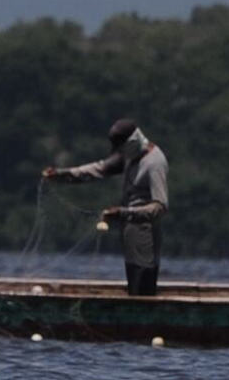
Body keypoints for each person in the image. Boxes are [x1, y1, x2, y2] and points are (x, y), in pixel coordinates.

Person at [45, 115, 171, 296]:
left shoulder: (154, 163)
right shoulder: (130, 155)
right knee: (133, 281)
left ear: (131, 142)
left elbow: (160, 207)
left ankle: (142, 319)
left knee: (142, 283)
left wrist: (124, 213)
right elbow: (99, 169)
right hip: (129, 229)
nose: (119, 152)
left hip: (146, 233)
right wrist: (61, 175)